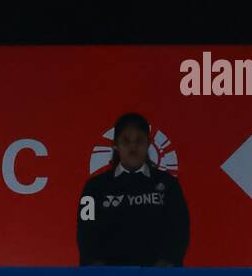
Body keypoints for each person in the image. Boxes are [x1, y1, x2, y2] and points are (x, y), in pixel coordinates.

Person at [77, 112, 189, 267]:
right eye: (126, 140)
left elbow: (180, 228)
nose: (133, 146)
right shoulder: (93, 187)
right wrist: (96, 266)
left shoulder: (169, 185)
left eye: (139, 140)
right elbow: (85, 230)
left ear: (149, 143)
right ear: (115, 144)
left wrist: (167, 263)